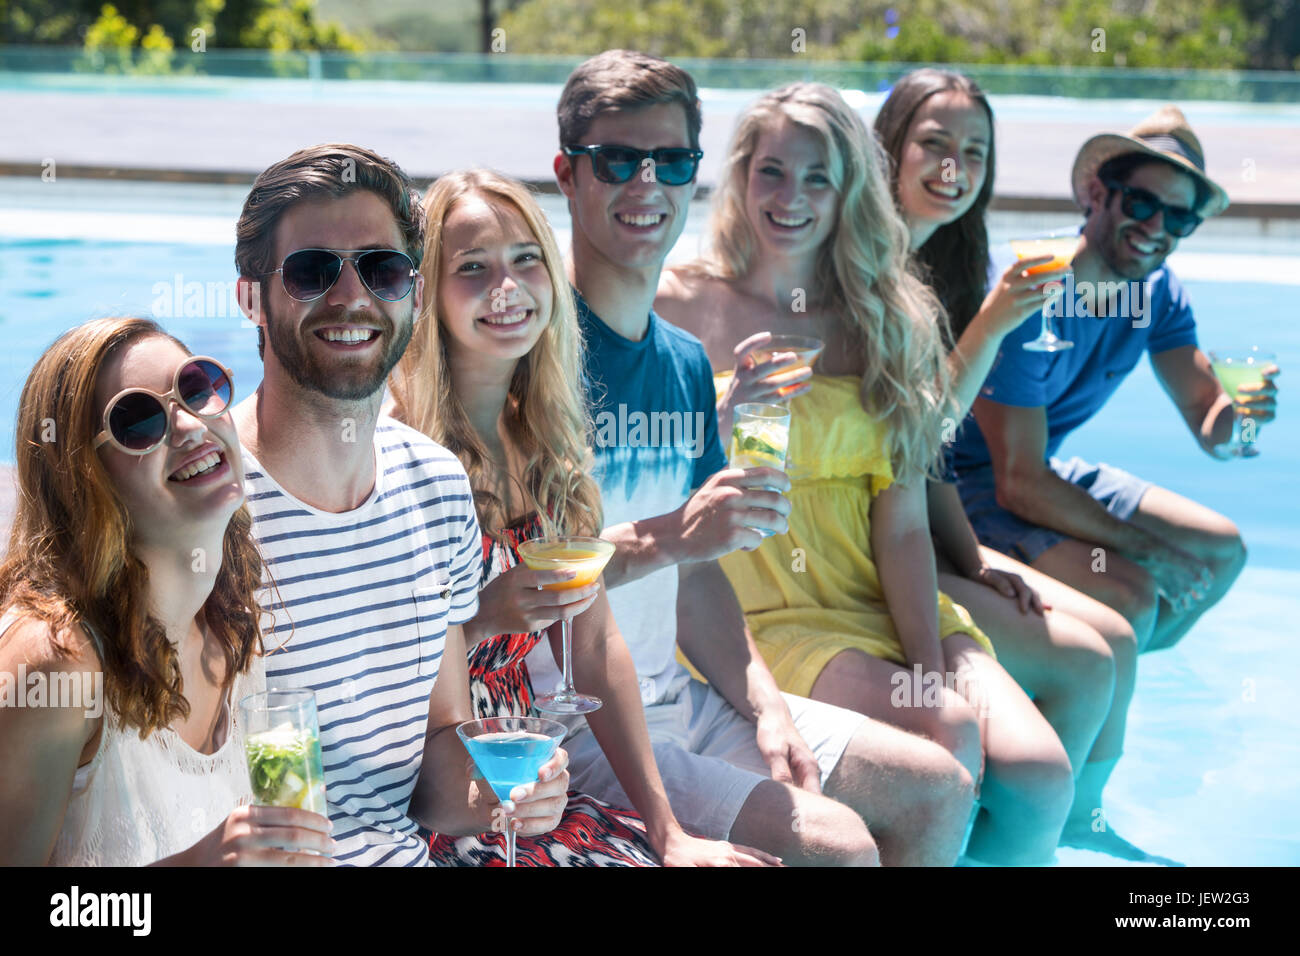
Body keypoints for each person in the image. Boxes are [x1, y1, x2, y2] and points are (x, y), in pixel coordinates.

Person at [541, 50, 978, 867]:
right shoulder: (533, 351)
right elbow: (516, 578)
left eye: (670, 161)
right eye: (617, 161)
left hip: (686, 697)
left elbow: (699, 576)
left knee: (938, 790)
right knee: (841, 846)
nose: (646, 184)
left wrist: (766, 705)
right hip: (570, 720)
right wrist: (673, 536)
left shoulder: (676, 360)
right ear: (568, 175)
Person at [657, 81, 1078, 865]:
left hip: (881, 598)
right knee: (946, 726)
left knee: (1042, 776)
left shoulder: (888, 317)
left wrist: (925, 662)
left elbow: (906, 520)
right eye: (773, 171)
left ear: (849, 190)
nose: (792, 197)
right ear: (741, 174)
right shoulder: (675, 304)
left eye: (819, 177)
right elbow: (645, 485)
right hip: (758, 611)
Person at [388, 168, 773, 866]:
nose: (506, 288)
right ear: (428, 292)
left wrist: (670, 833)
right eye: (473, 268)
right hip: (430, 798)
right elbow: (366, 668)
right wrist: (479, 620)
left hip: (531, 782)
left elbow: (594, 649)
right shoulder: (401, 449)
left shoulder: (547, 443)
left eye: (525, 260)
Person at [232, 144, 569, 866]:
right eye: (312, 270)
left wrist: (506, 794)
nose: (351, 297)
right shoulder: (205, 499)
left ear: (414, 294)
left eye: (381, 269)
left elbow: (437, 756)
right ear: (251, 297)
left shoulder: (439, 487)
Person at [873, 68, 1156, 860]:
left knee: (1117, 640)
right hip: (855, 546)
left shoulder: (946, 270)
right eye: (933, 143)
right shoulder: (858, 272)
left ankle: (1080, 830)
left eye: (974, 151)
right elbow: (904, 437)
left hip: (914, 529)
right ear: (887, 148)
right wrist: (995, 323)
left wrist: (972, 560)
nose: (953, 166)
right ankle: (1019, 841)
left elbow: (924, 459)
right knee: (1084, 662)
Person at [0, 316, 332, 866]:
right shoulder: (54, 666)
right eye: (138, 421)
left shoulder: (235, 625)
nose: (191, 426)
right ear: (82, 479)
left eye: (197, 389)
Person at [947, 107, 1270, 657]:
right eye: (1141, 203)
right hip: (958, 487)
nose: (1155, 229)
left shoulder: (1156, 292)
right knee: (1135, 593)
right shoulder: (1033, 287)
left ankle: (1095, 676)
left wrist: (1243, 424)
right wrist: (1149, 551)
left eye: (1179, 219)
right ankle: (1072, 678)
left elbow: (1212, 429)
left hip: (1038, 470)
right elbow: (1016, 483)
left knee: (1222, 553)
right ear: (1098, 193)